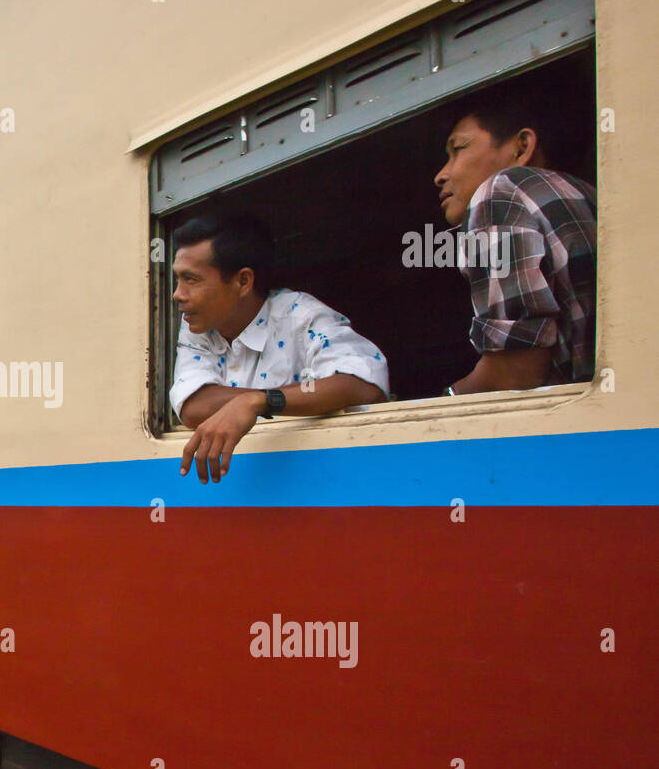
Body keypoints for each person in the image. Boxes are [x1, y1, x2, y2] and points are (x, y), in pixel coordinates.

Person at [171, 214, 389, 483]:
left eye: (190, 280)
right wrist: (273, 400)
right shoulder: (198, 325)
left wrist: (258, 401)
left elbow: (363, 385)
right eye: (177, 279)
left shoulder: (301, 316)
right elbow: (194, 404)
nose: (177, 294)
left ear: (243, 282)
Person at [433, 90, 597, 394]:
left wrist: (446, 399)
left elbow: (516, 371)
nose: (440, 175)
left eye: (458, 149)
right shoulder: (591, 194)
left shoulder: (501, 190)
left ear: (522, 147)